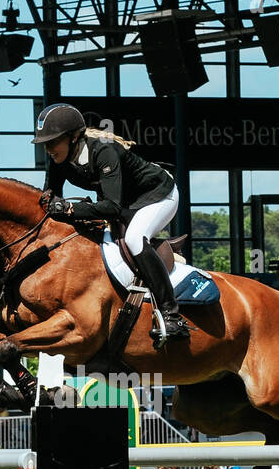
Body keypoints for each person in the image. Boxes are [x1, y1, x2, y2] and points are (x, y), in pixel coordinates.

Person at [32, 102, 190, 342]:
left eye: (53, 142)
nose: (49, 149)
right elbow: (49, 195)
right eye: (45, 144)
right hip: (125, 203)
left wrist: (71, 208)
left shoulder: (104, 151)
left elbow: (112, 208)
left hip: (158, 195)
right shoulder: (59, 160)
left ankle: (172, 315)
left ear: (73, 137)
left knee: (135, 239)